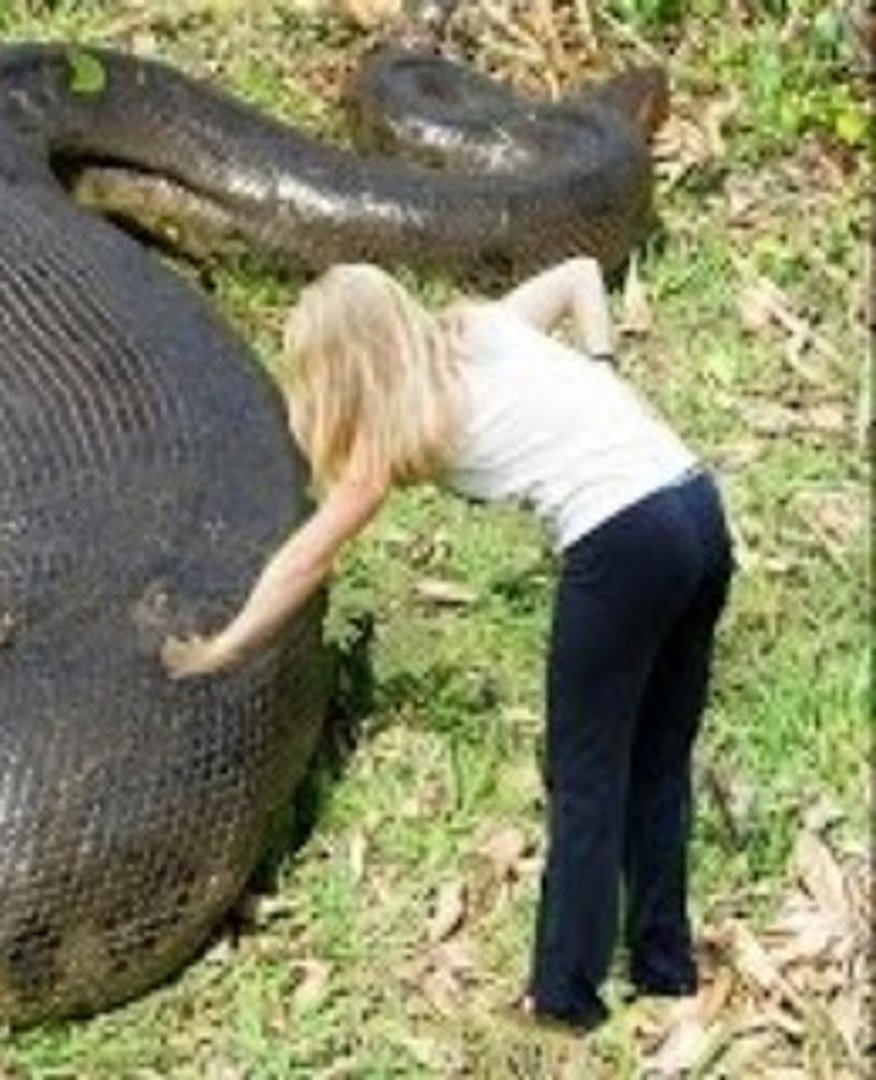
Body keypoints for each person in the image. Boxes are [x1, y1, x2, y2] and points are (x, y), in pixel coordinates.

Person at [162, 258, 734, 1033]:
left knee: (587, 776)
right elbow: (579, 276)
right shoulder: (483, 328)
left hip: (624, 538)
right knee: (658, 761)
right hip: (699, 508)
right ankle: (665, 969)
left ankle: (566, 999)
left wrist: (225, 648)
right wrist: (603, 367)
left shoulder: (391, 438)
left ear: (338, 369)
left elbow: (306, 557)